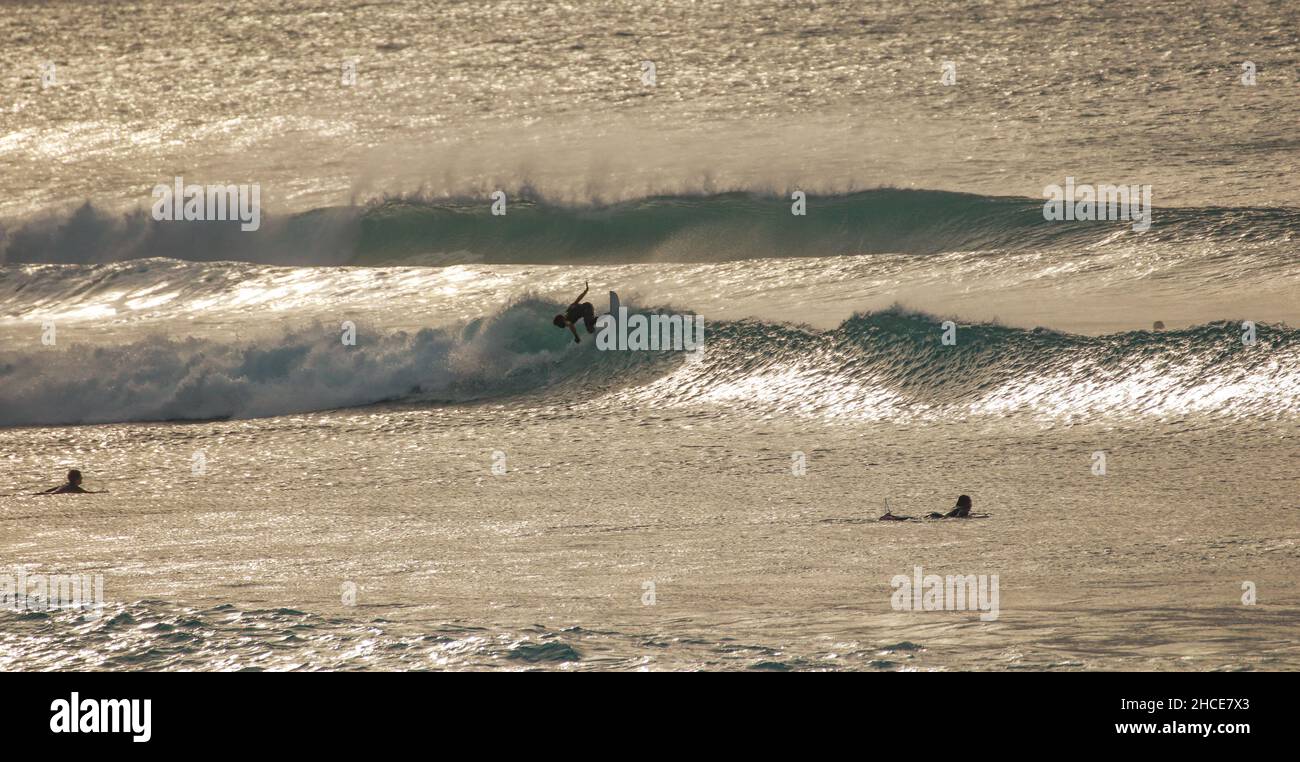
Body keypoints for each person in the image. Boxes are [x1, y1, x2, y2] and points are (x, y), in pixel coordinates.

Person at [37, 469, 101, 495]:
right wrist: (100, 492)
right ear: (76, 478)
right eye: (80, 476)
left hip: (51, 493)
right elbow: (86, 493)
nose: (82, 478)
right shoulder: (74, 487)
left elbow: (49, 491)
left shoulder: (65, 485)